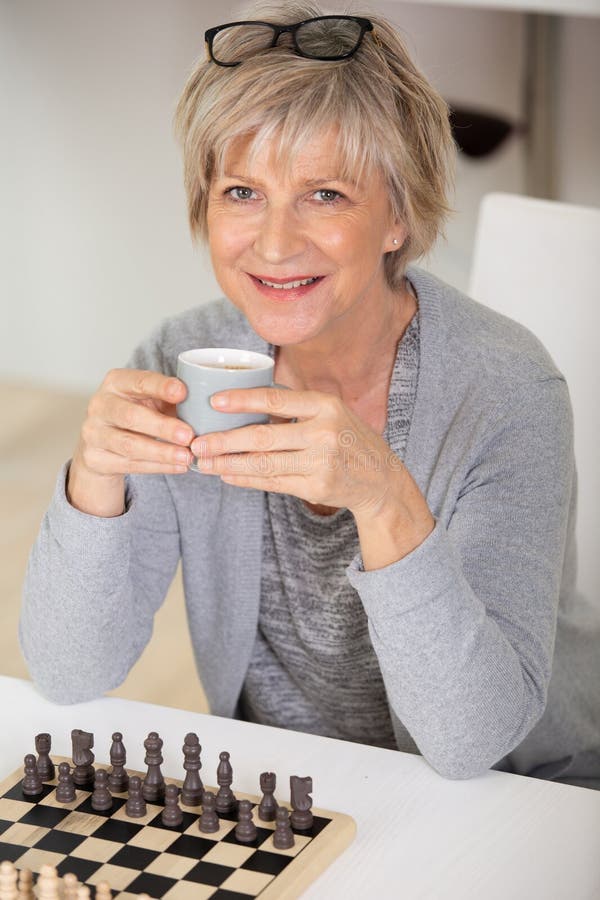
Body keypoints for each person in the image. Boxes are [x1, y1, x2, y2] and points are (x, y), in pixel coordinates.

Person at [20, 1, 600, 788]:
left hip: (518, 801)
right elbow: (67, 670)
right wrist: (92, 482)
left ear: (397, 214)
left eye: (325, 194)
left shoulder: (508, 392)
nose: (273, 242)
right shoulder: (181, 364)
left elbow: (474, 743)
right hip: (291, 791)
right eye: (241, 192)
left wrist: (384, 497)